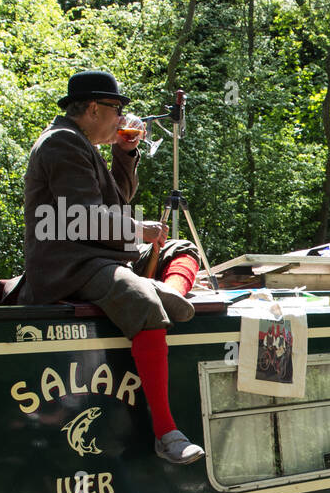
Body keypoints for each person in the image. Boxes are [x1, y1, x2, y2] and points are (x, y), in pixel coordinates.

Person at [20, 70, 205, 464]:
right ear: (91, 108)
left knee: (181, 249)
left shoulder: (79, 143)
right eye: (116, 109)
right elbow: (85, 218)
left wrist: (125, 154)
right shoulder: (61, 144)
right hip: (70, 262)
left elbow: (117, 200)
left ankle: (169, 291)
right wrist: (140, 229)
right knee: (138, 297)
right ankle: (165, 431)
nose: (122, 118)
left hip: (99, 255)